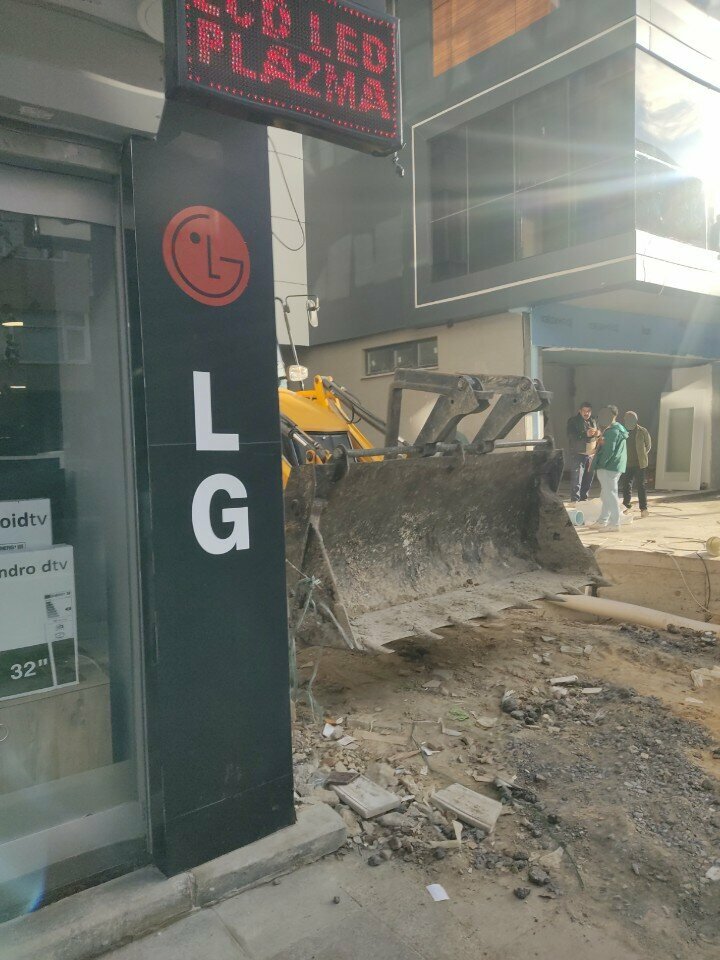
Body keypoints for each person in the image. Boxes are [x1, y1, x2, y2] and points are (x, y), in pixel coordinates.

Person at [591, 406, 628, 531]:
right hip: (615, 466)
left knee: (610, 495)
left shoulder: (612, 431)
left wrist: (600, 463)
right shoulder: (618, 429)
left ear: (612, 416)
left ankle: (614, 523)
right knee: (606, 494)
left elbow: (608, 450)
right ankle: (603, 520)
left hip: (608, 467)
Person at [566, 402, 600, 502]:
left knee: (588, 480)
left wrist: (598, 433)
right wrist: (585, 434)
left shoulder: (594, 420)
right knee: (577, 480)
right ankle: (575, 501)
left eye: (588, 411)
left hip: (591, 455)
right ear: (580, 411)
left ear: (591, 411)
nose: (586, 413)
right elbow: (571, 436)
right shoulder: (573, 421)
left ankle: (584, 499)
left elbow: (600, 433)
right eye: (584, 411)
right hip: (578, 454)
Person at [621, 411, 652, 518]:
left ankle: (643, 508)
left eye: (632, 419)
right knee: (626, 486)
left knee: (641, 486)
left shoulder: (642, 431)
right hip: (626, 464)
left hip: (640, 464)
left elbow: (648, 446)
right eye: (627, 419)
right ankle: (626, 507)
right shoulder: (622, 431)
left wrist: (641, 455)